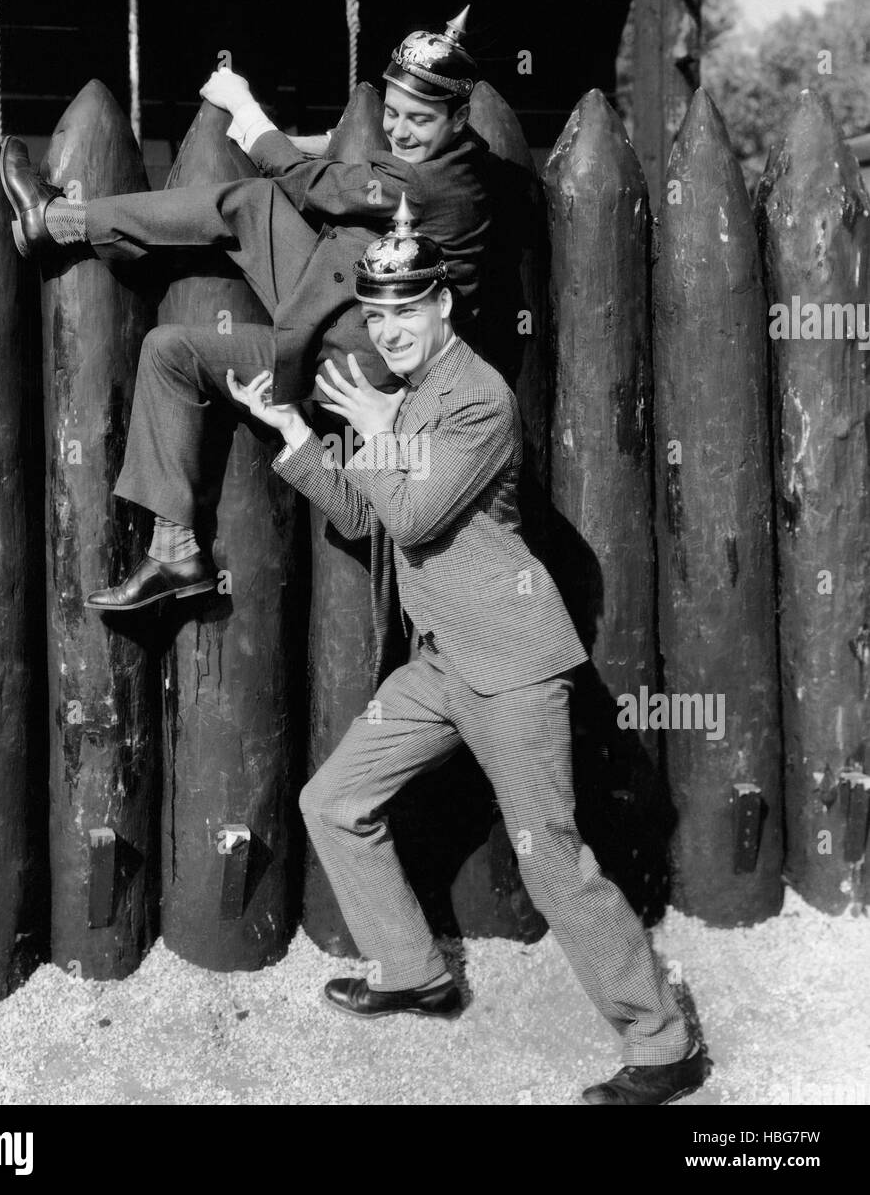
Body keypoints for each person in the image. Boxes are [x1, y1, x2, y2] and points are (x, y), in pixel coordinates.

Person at [227, 201, 711, 1107]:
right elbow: (370, 517)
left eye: (406, 310)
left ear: (443, 306)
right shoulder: (405, 397)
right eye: (376, 314)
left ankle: (663, 1045)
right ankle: (412, 971)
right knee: (331, 801)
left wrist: (375, 429)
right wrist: (294, 436)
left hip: (515, 666)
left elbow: (411, 510)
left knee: (551, 860)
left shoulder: (481, 399)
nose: (389, 328)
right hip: (443, 661)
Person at [0, 9, 492, 611]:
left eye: (420, 119)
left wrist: (247, 111)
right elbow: (355, 168)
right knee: (169, 349)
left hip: (361, 354)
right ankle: (174, 549)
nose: (401, 131)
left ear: (459, 116)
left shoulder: (429, 185)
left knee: (255, 203)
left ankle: (59, 222)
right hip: (343, 319)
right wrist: (301, 146)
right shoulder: (460, 157)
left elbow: (317, 185)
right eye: (391, 113)